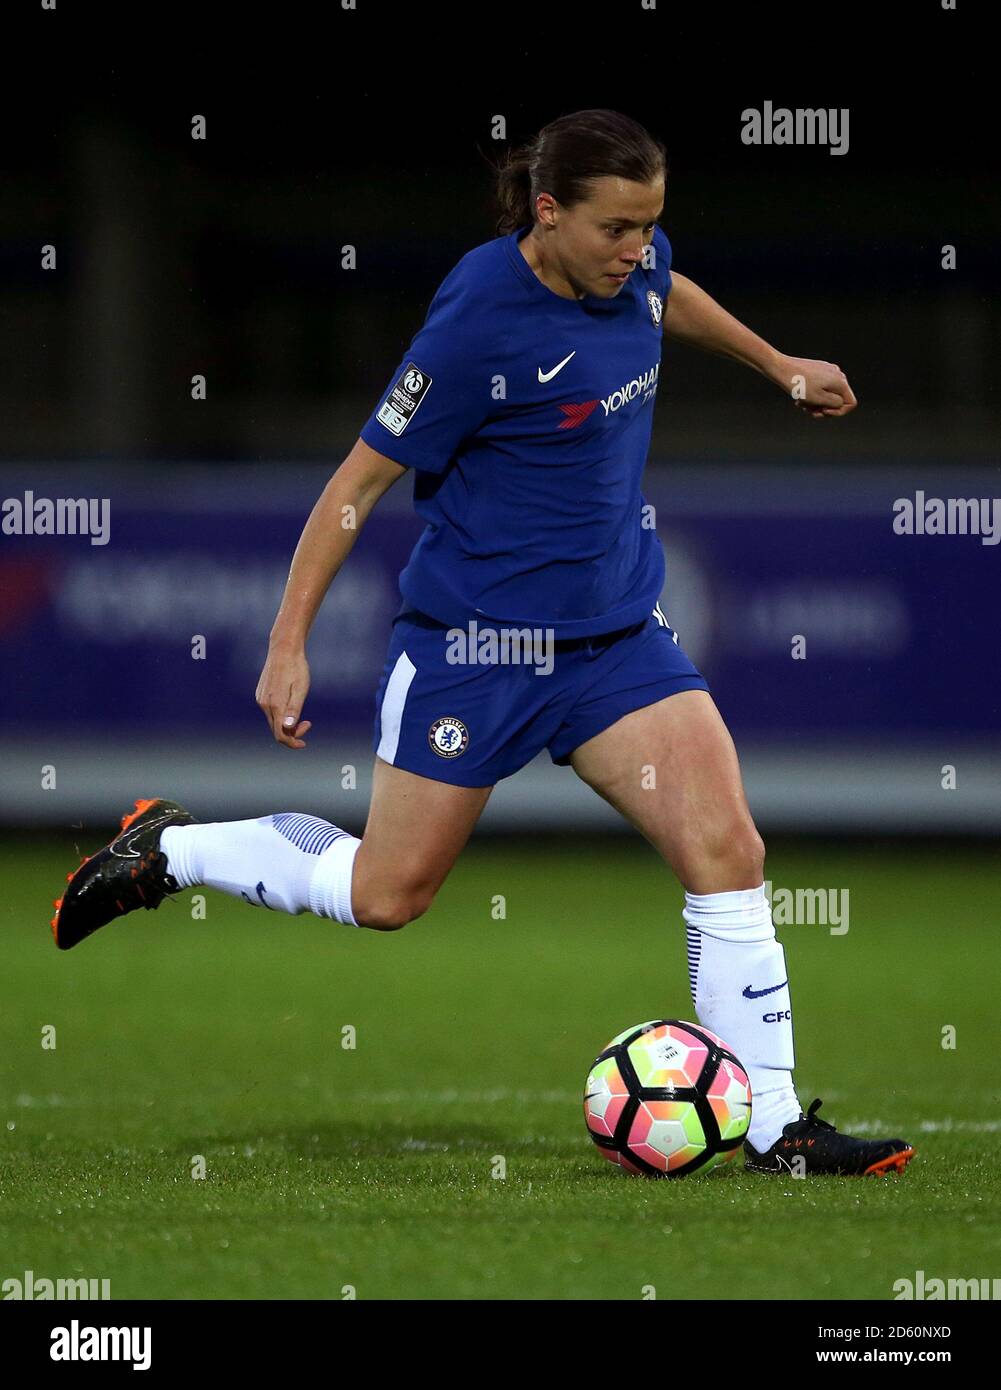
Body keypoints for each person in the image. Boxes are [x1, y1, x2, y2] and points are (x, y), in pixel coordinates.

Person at [50, 108, 913, 1177]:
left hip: (614, 641)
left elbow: (664, 295)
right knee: (387, 897)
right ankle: (169, 850)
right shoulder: (473, 324)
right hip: (476, 651)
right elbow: (356, 484)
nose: (637, 249)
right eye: (616, 228)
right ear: (547, 214)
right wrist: (288, 638)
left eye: (651, 225)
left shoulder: (632, 267)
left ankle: (776, 1126)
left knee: (727, 851)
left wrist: (774, 361)